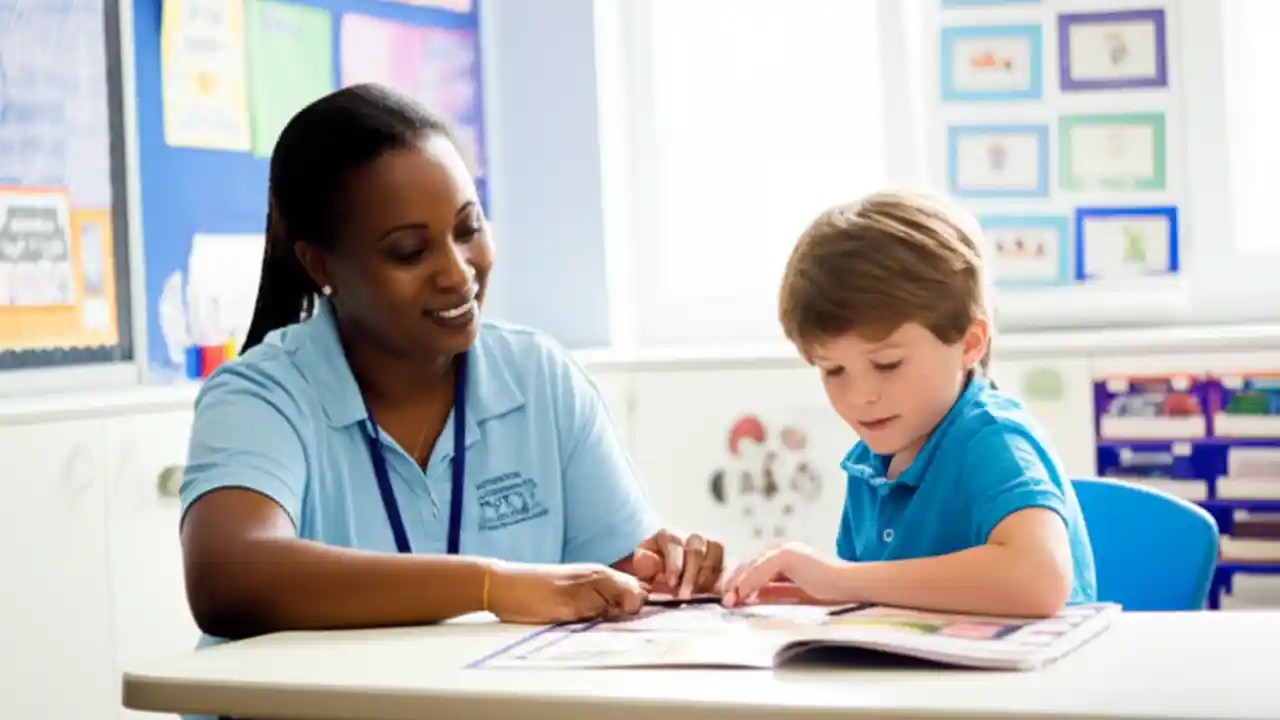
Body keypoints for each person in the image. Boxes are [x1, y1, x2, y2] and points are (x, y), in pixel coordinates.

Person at [179, 84, 723, 642]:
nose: (458, 273)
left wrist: (660, 571)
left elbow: (613, 574)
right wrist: (491, 585)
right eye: (410, 252)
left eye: (468, 229)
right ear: (321, 265)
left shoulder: (538, 377)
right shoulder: (261, 395)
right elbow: (228, 578)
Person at [720, 190, 1096, 617]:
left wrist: (841, 579)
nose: (861, 396)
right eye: (833, 370)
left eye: (887, 363)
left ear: (968, 343)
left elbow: (1038, 581)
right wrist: (798, 583)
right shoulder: (870, 462)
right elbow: (878, 594)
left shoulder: (992, 439)